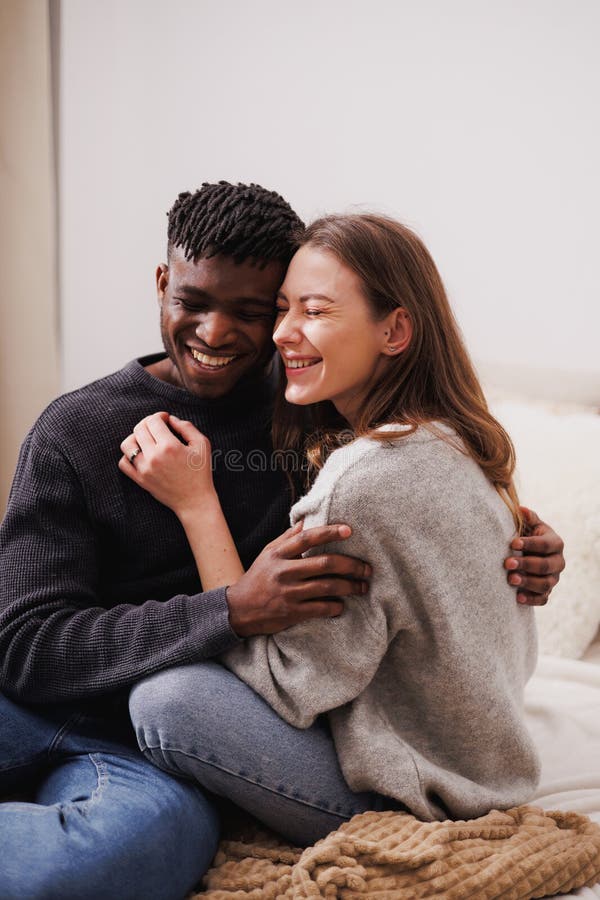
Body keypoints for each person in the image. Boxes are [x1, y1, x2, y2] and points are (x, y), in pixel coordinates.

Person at [0, 183, 563, 897]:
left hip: (158, 747)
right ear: (162, 284)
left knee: (97, 866)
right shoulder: (74, 430)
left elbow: (415, 500)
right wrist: (228, 610)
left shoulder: (315, 404)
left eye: (255, 312)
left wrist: (514, 546)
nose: (215, 334)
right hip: (38, 705)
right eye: (193, 301)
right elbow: (24, 647)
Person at [126, 212, 544, 846]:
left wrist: (196, 505)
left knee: (165, 700)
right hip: (488, 767)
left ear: (394, 330)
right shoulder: (459, 439)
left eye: (315, 311)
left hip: (419, 797)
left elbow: (281, 686)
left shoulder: (361, 480)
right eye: (282, 308)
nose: (283, 333)